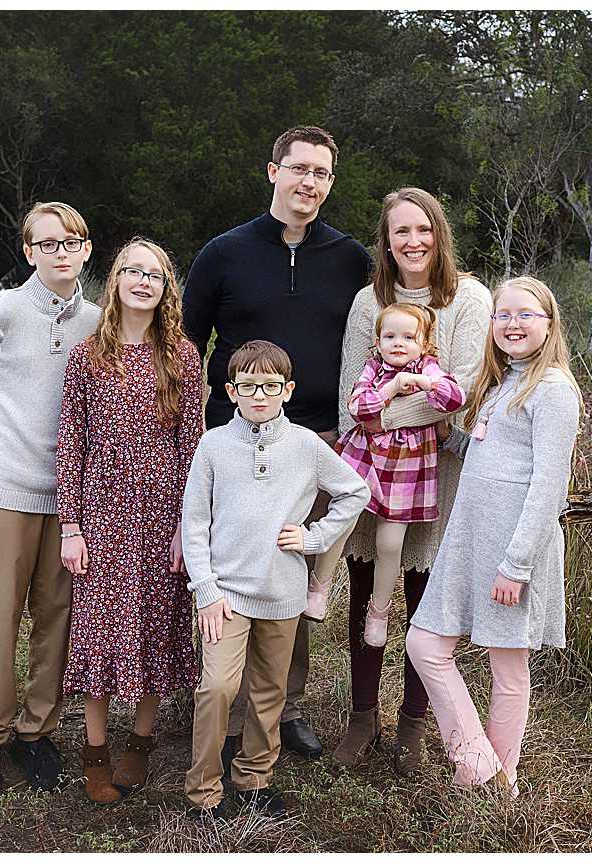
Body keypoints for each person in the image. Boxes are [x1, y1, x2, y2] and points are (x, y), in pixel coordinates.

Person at [183, 125, 372, 762]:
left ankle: (283, 707)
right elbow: (185, 347)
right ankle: (220, 698)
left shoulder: (349, 259)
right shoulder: (224, 254)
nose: (309, 183)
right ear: (273, 172)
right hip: (231, 437)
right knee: (232, 565)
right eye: (298, 169)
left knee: (289, 574)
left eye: (321, 173)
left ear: (330, 182)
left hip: (315, 441)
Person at [0, 201, 101, 798]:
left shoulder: (98, 323)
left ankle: (37, 732)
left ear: (86, 250)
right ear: (29, 252)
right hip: (6, 491)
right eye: (49, 243)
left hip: (72, 500)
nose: (62, 251)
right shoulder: (4, 310)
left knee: (57, 620)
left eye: (73, 242)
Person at [330, 187, 492, 775]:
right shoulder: (365, 303)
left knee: (428, 603)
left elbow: (463, 392)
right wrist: (391, 404)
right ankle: (362, 716)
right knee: (366, 596)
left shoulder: (471, 300)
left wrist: (385, 405)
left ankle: (413, 724)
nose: (413, 242)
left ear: (439, 234)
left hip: (439, 475)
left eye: (423, 230)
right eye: (401, 232)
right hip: (373, 476)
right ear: (387, 241)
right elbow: (351, 404)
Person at [406, 276, 582, 795]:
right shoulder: (503, 383)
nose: (512, 324)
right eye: (502, 315)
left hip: (512, 552)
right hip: (470, 542)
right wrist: (448, 437)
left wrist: (518, 565)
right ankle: (483, 768)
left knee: (507, 668)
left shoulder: (551, 391)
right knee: (425, 643)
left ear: (548, 324)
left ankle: (489, 780)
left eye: (526, 314)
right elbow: (491, 457)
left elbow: (549, 487)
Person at [181, 340, 369, 822]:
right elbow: (194, 522)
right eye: (248, 385)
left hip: (282, 593)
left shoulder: (306, 445)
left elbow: (355, 491)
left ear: (287, 390)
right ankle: (204, 789)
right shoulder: (214, 444)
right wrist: (204, 588)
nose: (258, 394)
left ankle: (254, 778)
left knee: (270, 690)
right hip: (225, 595)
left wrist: (313, 537)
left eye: (269, 386)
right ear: (231, 390)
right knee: (218, 686)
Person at [56, 238, 203, 806]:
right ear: (114, 279)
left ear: (167, 289)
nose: (144, 281)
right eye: (133, 271)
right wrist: (72, 527)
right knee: (96, 630)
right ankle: (94, 753)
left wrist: (186, 529)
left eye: (157, 274)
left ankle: (140, 742)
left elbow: (192, 446)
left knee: (159, 627)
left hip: (163, 511)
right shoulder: (89, 354)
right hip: (101, 512)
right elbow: (71, 443)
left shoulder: (182, 356)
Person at [305, 302, 465, 648]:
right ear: (377, 341)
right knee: (342, 521)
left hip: (407, 466)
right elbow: (359, 409)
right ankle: (320, 584)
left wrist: (420, 381)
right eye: (389, 336)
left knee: (390, 543)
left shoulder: (429, 369)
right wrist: (392, 389)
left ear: (424, 344)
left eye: (409, 337)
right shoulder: (373, 370)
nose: (398, 343)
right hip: (365, 459)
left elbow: (454, 398)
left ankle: (379, 611)